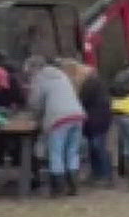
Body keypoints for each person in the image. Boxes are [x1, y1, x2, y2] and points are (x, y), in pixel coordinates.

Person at [26, 57, 87, 197]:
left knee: (56, 152)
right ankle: (73, 186)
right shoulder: (62, 75)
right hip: (77, 115)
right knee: (72, 151)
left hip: (58, 118)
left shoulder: (40, 78)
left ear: (34, 69)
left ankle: (58, 188)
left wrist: (35, 115)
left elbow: (34, 102)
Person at [62, 58, 115, 187]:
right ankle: (98, 174)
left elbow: (82, 100)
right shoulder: (92, 82)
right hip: (97, 118)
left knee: (98, 147)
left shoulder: (90, 83)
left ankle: (105, 175)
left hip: (97, 119)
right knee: (95, 147)